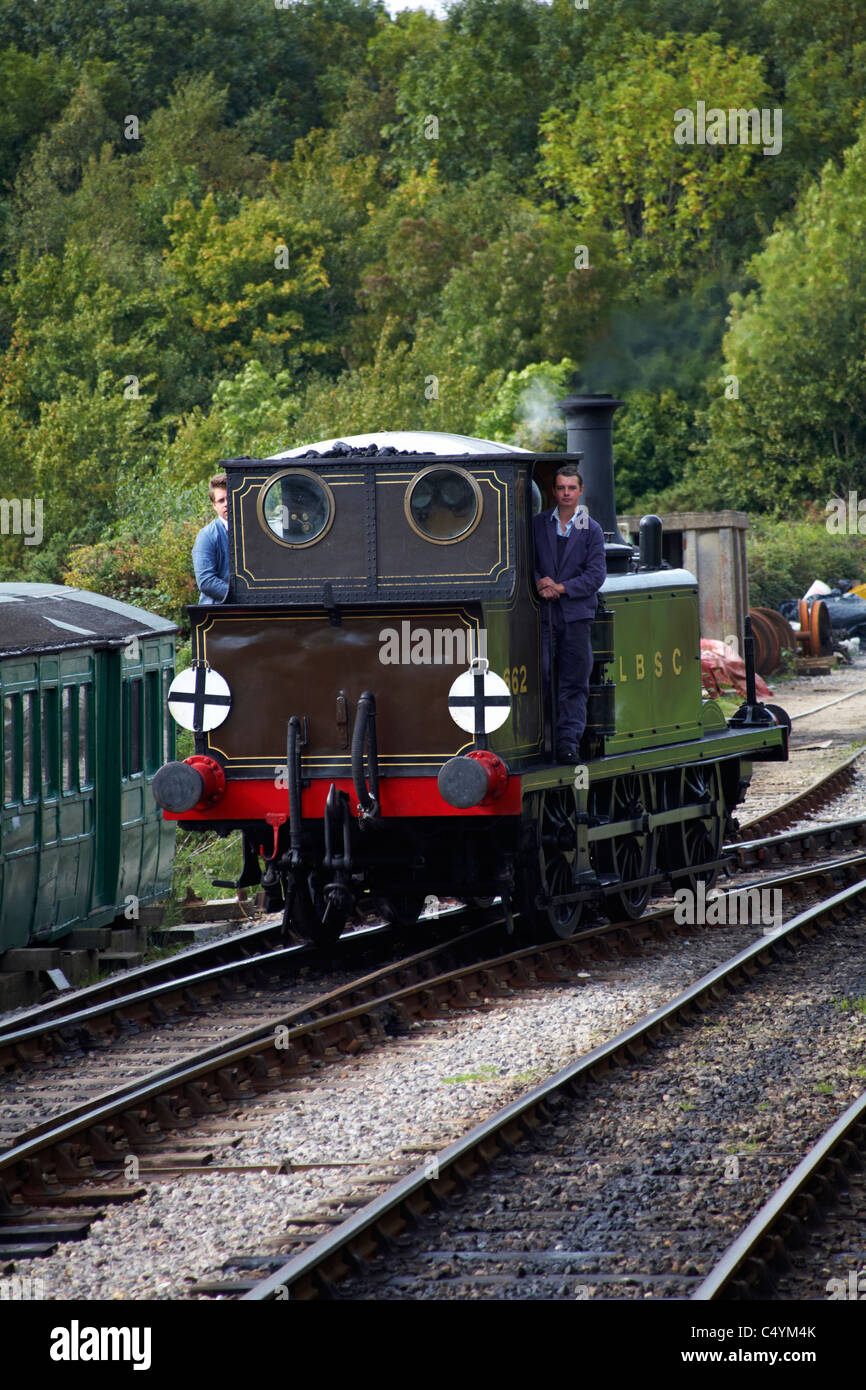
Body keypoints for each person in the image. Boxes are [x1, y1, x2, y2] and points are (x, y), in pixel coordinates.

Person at [533, 464, 606, 762]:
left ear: (580, 490)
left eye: (571, 488)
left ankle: (568, 743)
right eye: (561, 488)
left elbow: (596, 576)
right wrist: (540, 581)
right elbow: (528, 561)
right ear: (553, 491)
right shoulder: (538, 525)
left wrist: (560, 587)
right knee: (542, 676)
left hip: (576, 616)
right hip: (543, 615)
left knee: (574, 681)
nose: (566, 493)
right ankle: (540, 739)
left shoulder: (592, 529)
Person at [192, 472, 230, 605]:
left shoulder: (250, 530)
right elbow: (206, 581)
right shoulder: (206, 535)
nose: (226, 504)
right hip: (217, 611)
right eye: (221, 500)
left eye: (229, 498)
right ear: (214, 505)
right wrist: (239, 596)